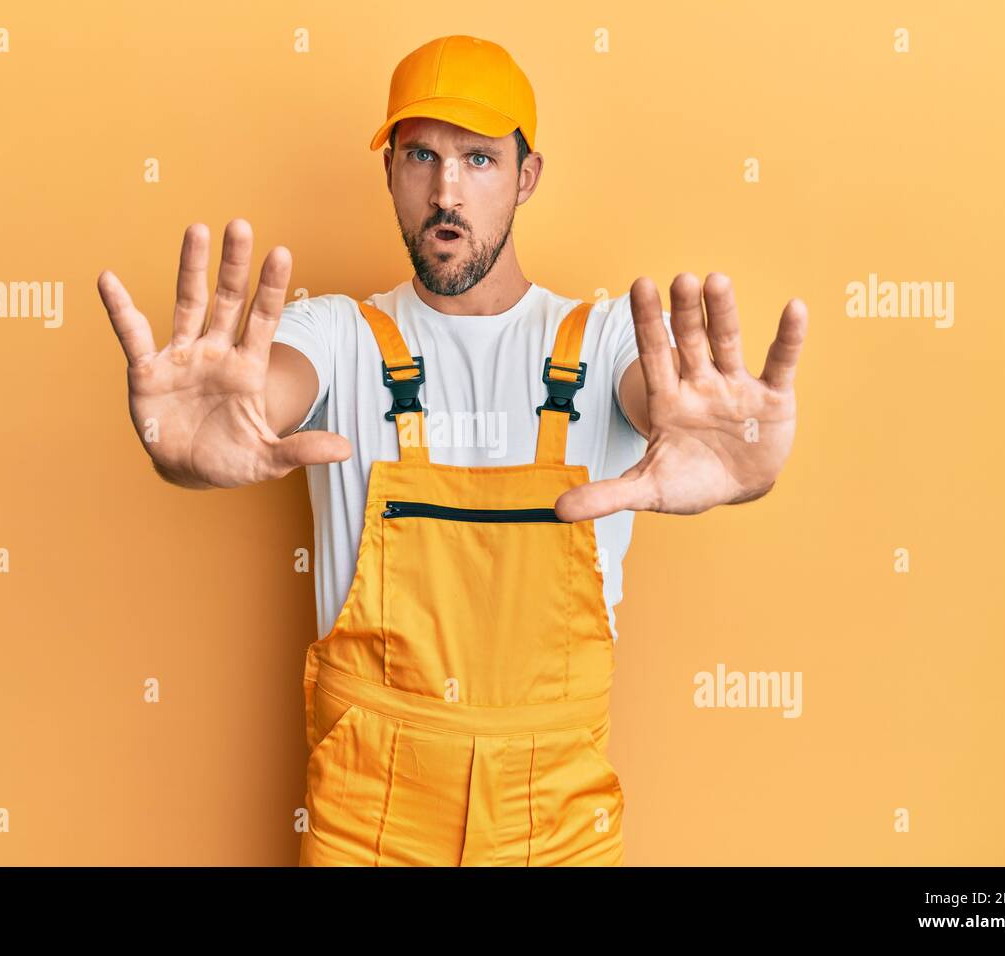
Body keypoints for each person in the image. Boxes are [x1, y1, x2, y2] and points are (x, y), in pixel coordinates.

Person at [96, 34, 808, 866]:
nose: (445, 190)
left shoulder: (611, 338)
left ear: (526, 176)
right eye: (421, 156)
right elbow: (264, 388)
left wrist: (734, 456)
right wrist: (186, 439)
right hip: (370, 817)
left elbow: (659, 402)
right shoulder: (337, 334)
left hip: (560, 822)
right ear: (390, 172)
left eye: (477, 160)